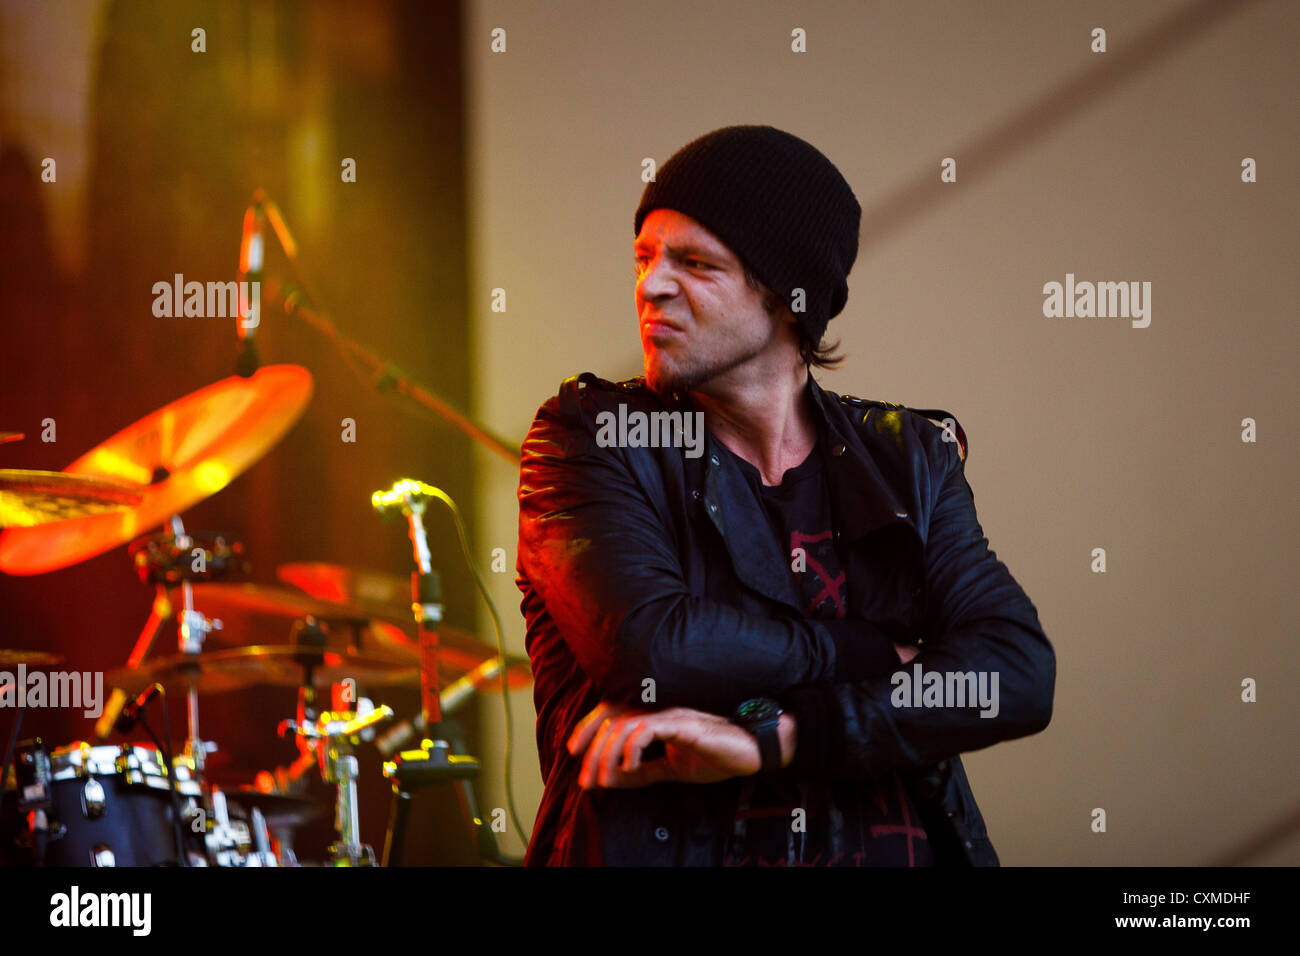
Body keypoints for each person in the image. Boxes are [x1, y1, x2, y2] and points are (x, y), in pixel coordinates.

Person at [515, 124, 1055, 866]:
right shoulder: (594, 437)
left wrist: (784, 734)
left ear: (787, 297)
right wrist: (877, 651)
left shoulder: (908, 458)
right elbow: (654, 645)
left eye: (695, 262)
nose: (652, 285)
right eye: (645, 257)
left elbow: (1015, 673)